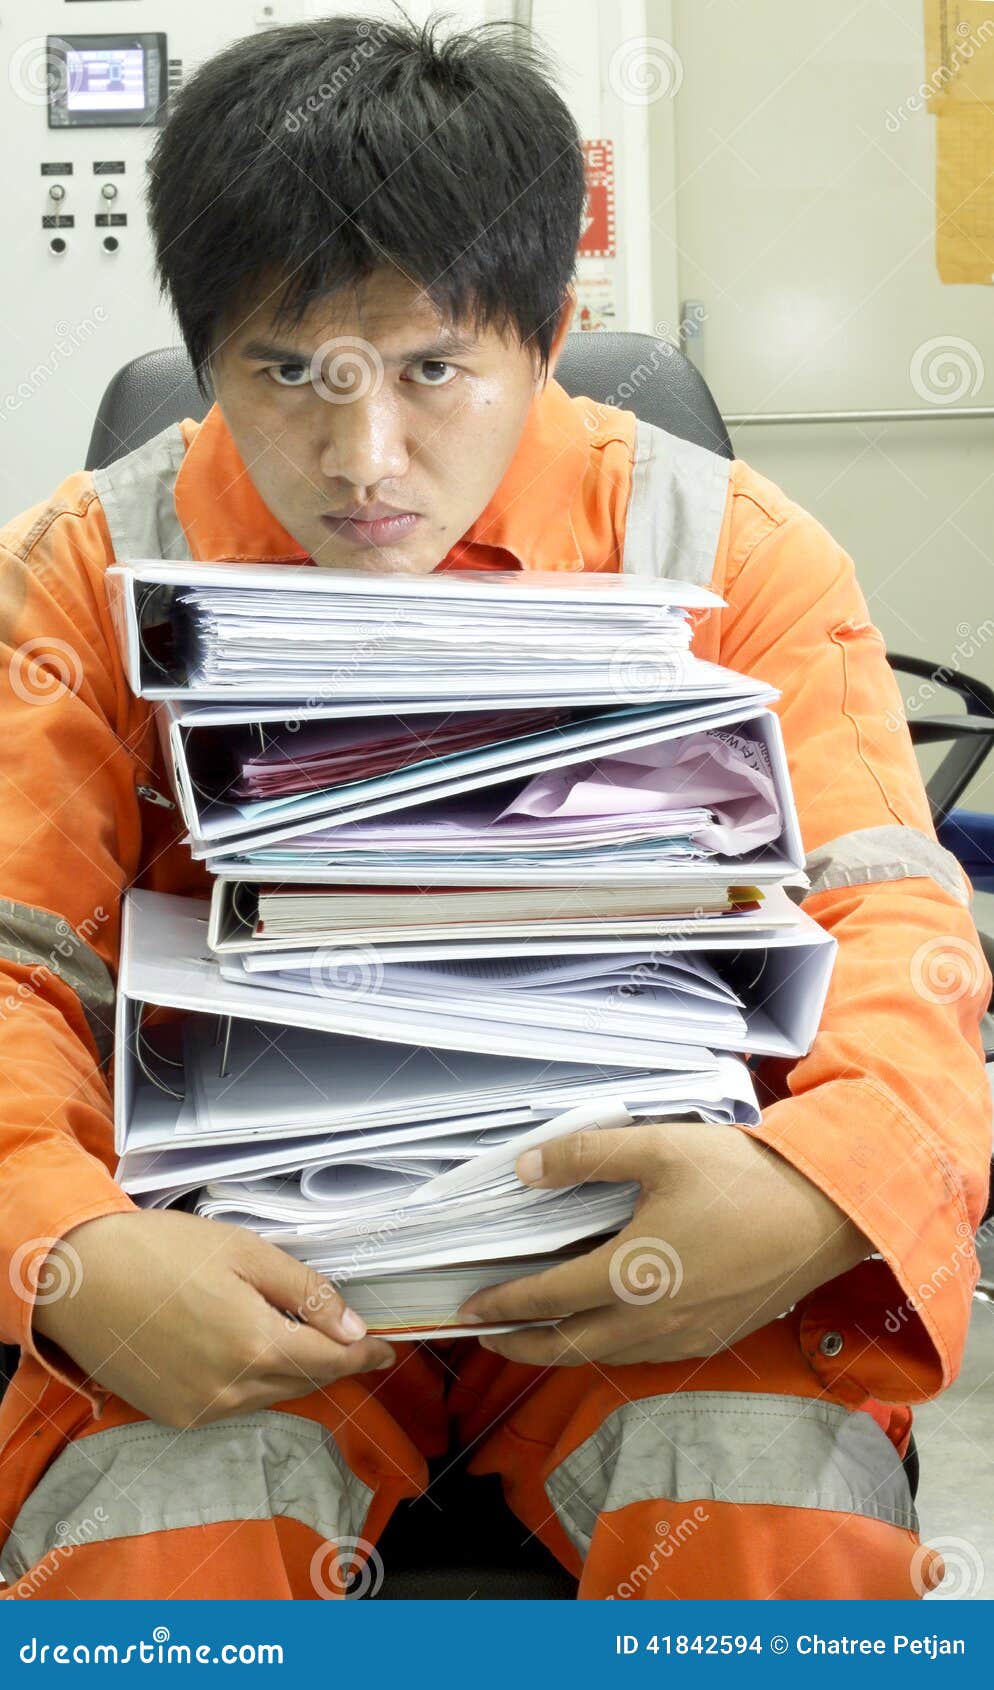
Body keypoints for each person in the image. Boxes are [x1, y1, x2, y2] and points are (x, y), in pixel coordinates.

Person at [0, 15, 989, 1602]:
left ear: (548, 332)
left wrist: (822, 1188)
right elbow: (12, 956)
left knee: (765, 1517)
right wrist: (69, 1250)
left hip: (643, 1242)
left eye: (431, 368)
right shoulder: (86, 561)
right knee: (151, 1552)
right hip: (241, 1270)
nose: (360, 456)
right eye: (283, 371)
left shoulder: (721, 541)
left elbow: (891, 910)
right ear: (203, 353)